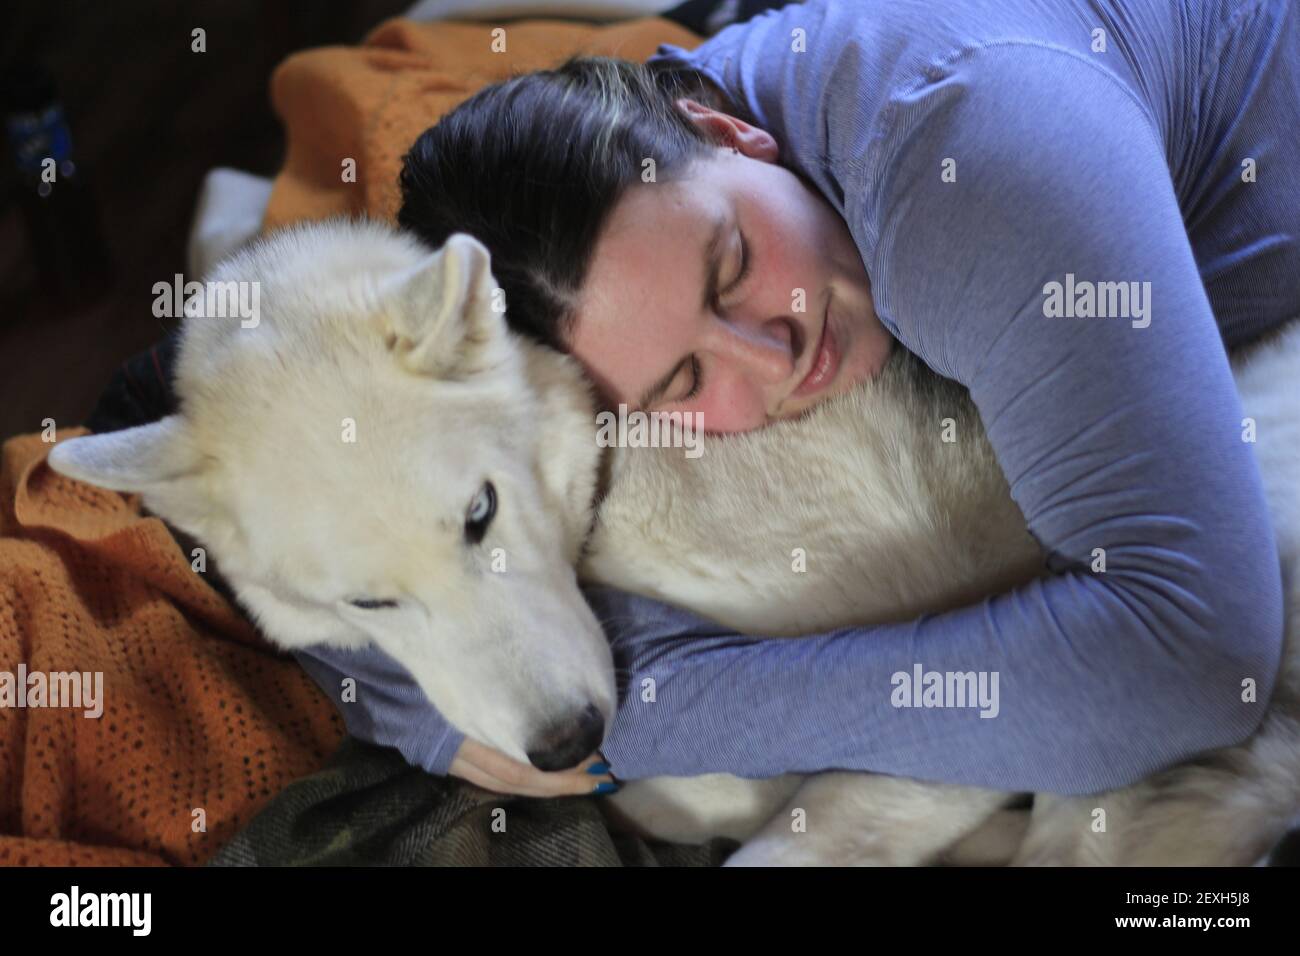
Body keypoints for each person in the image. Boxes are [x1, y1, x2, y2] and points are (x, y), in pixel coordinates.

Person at [296, 0, 1297, 800]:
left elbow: (1189, 659)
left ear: (724, 127)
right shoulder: (707, 142)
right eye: (683, 379)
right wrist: (406, 691)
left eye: (731, 264)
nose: (769, 355)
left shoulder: (967, 161)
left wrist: (639, 714)